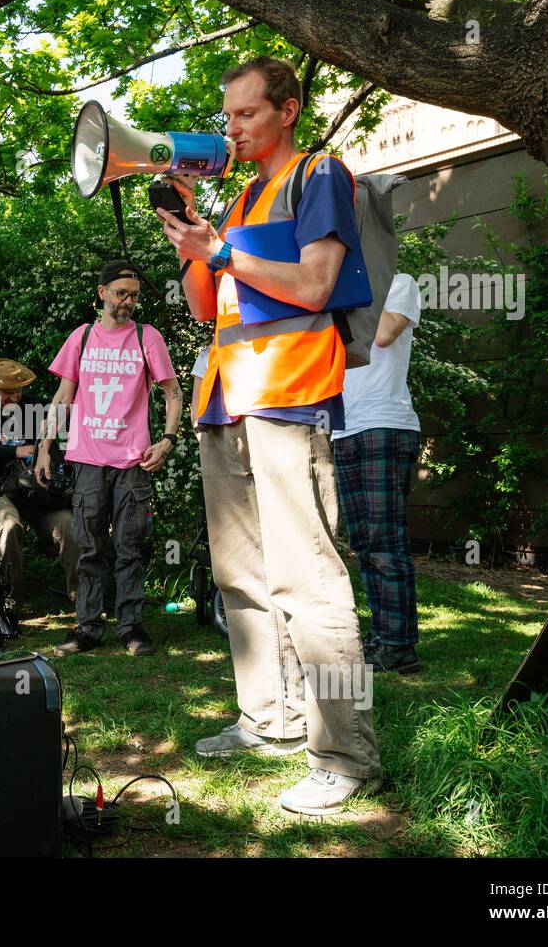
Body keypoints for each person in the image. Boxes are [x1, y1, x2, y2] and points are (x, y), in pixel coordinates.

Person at [157, 55, 382, 815]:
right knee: (242, 579)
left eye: (247, 114)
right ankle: (271, 720)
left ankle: (346, 754)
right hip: (226, 401)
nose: (232, 130)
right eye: (227, 118)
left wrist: (220, 249)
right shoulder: (246, 195)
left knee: (308, 581)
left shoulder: (320, 174)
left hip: (290, 397)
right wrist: (193, 239)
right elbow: (201, 309)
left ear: (287, 110)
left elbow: (315, 285)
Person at [37, 262, 180, 656]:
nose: (128, 302)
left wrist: (167, 440)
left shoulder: (147, 337)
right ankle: (87, 627)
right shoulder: (81, 338)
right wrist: (45, 446)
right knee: (89, 547)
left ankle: (131, 628)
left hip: (133, 461)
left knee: (131, 546)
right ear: (102, 293)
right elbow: (63, 397)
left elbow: (173, 392)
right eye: (120, 293)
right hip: (87, 459)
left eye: (133, 295)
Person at [333, 273, 424, 674]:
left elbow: (384, 333)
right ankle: (382, 635)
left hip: (386, 424)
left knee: (387, 539)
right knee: (364, 542)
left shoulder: (399, 282)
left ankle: (400, 644)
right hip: (343, 428)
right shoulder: (338, 290)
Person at [0, 357, 78, 600]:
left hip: (37, 487)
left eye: (18, 392)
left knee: (68, 525)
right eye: (7, 393)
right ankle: (4, 600)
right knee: (9, 525)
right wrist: (15, 451)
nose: (14, 398)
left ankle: (83, 598)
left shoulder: (37, 407)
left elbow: (63, 419)